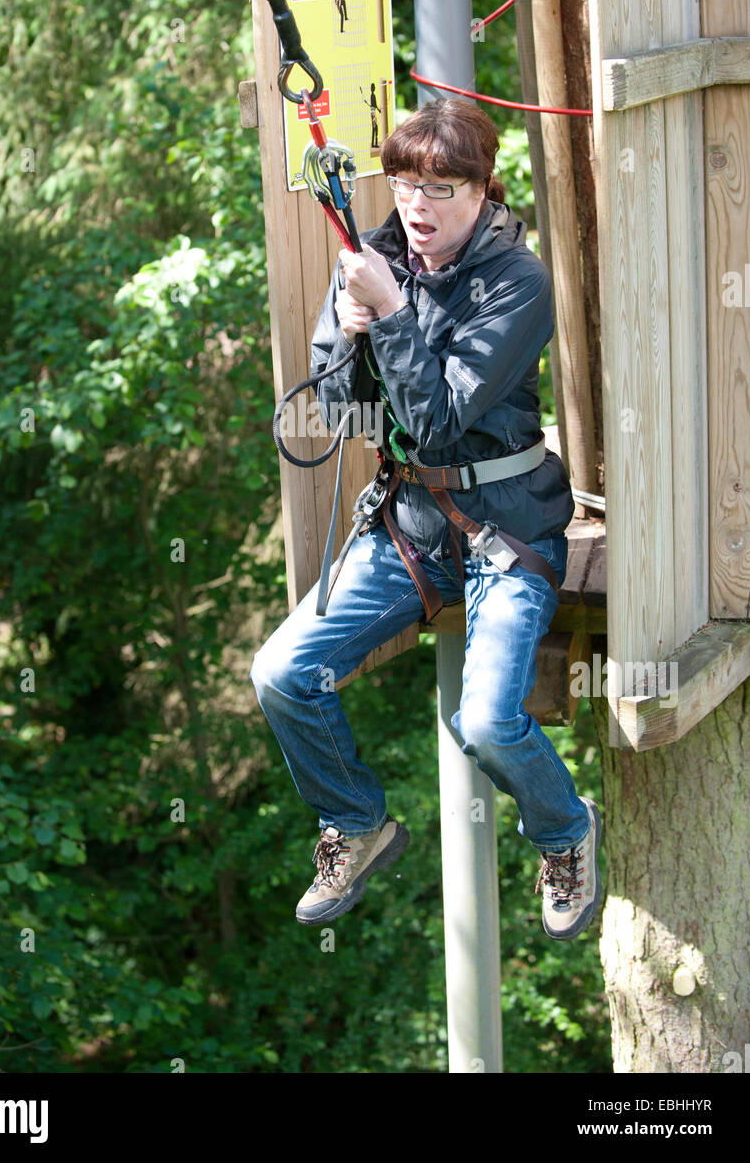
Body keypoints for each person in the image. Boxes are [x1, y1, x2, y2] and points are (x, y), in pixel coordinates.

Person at [250, 97, 601, 940]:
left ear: (481, 189)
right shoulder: (372, 259)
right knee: (281, 674)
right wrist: (347, 332)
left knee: (485, 721)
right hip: (409, 530)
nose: (416, 204)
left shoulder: (516, 283)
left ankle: (564, 829)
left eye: (440, 187)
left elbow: (440, 422)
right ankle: (355, 820)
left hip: (505, 533)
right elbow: (341, 411)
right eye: (405, 183)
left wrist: (393, 317)